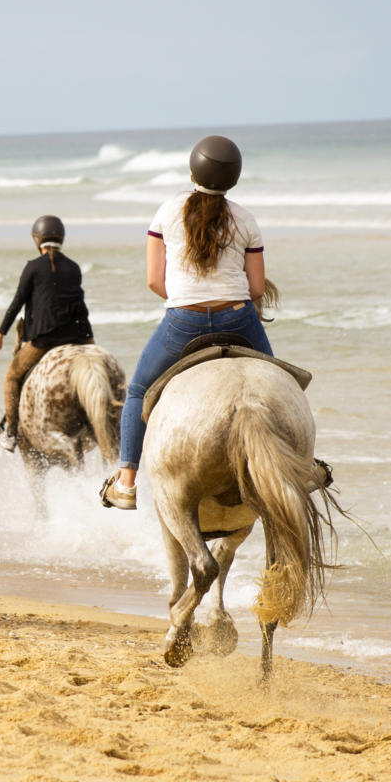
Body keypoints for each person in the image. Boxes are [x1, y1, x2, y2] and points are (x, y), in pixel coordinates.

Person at [99, 135, 271, 510]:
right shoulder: (245, 218)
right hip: (239, 318)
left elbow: (153, 280)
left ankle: (126, 483)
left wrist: (187, 301)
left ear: (194, 169)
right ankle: (301, 466)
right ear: (234, 178)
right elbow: (256, 287)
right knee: (281, 384)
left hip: (183, 323)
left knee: (139, 392)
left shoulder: (167, 212)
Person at [0, 215, 95, 450]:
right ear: (61, 238)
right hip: (79, 335)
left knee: (12, 377)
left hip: (46, 339)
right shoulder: (74, 267)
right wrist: (91, 342)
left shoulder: (33, 267)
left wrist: (0, 335)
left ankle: (11, 433)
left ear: (37, 240)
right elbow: (79, 304)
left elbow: (17, 303)